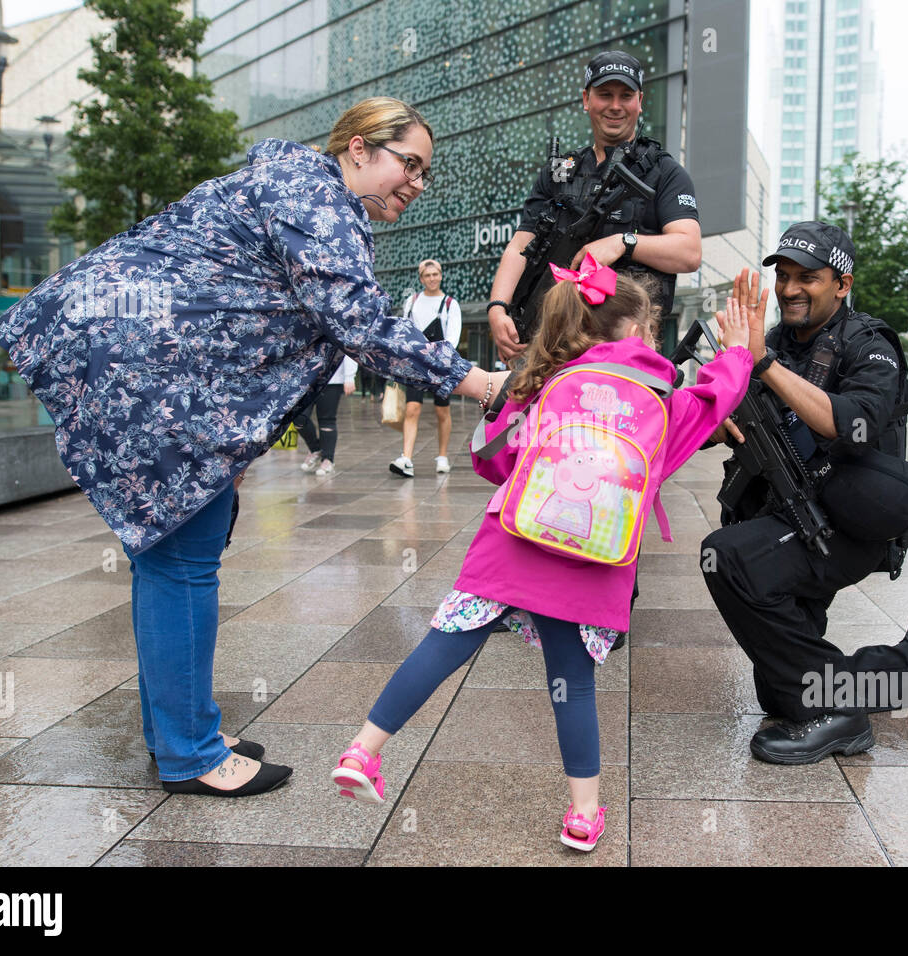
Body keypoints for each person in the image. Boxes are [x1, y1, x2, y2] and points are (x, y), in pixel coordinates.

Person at [0, 97, 509, 798]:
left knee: (175, 557)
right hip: (151, 372)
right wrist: (485, 384)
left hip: (152, 368)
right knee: (181, 560)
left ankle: (184, 729)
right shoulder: (316, 200)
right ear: (358, 148)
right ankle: (189, 753)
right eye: (407, 163)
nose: (414, 183)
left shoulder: (301, 189)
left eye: (425, 173)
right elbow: (360, 324)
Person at [330, 263, 756, 851]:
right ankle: (583, 816)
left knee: (443, 643)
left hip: (511, 547)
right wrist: (737, 353)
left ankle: (364, 750)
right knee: (571, 684)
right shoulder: (662, 401)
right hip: (592, 567)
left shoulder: (543, 380)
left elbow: (494, 461)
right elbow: (713, 400)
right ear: (635, 330)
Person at [698, 222, 908, 764]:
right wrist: (724, 411)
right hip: (790, 510)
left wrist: (762, 367)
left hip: (849, 521)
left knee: (727, 558)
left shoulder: (870, 345)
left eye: (808, 277)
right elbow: (733, 418)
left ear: (842, 283)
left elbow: (855, 423)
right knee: (783, 690)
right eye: (785, 276)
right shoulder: (774, 343)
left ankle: (840, 720)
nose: (791, 288)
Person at [485, 50, 702, 363]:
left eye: (625, 95)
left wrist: (622, 244)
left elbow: (689, 252)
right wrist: (497, 308)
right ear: (586, 99)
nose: (615, 106)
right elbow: (521, 245)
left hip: (627, 352)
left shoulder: (665, 172)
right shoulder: (560, 171)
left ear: (640, 101)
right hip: (556, 344)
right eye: (604, 95)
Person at [389, 259, 462, 477]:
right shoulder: (412, 302)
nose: (432, 278)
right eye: (427, 275)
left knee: (442, 411)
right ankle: (407, 458)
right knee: (412, 409)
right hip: (416, 364)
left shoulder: (450, 304)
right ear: (421, 278)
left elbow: (453, 338)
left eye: (435, 274)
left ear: (441, 276)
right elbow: (406, 329)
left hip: (441, 365)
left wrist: (439, 359)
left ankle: (442, 456)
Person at [297, 354, 356, 476]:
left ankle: (328, 459)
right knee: (298, 417)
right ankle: (315, 449)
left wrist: (349, 377)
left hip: (332, 378)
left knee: (327, 420)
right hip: (306, 378)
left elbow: (348, 346)